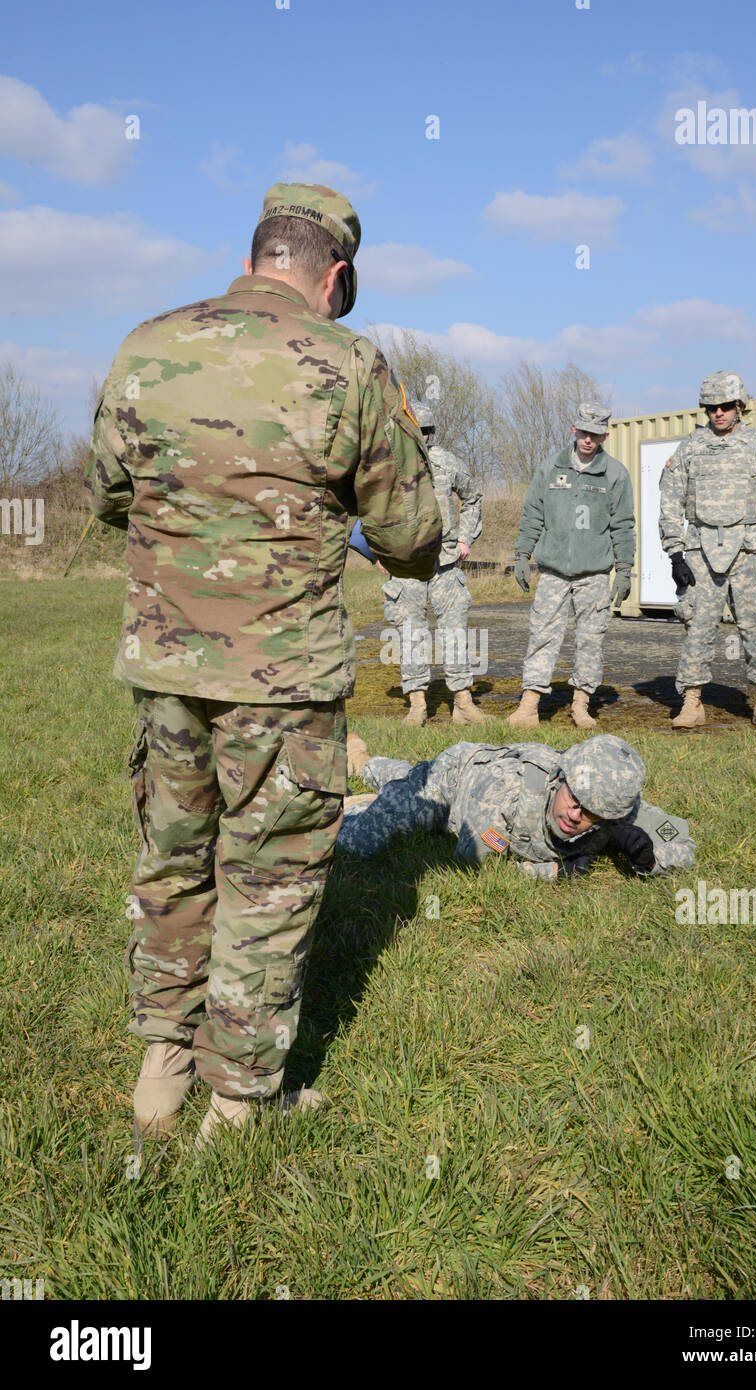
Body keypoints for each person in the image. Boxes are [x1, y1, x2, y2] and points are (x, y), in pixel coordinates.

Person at [84, 181, 442, 1146]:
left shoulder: (145, 346)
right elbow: (411, 535)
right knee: (269, 879)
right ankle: (239, 1104)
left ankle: (161, 1070)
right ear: (332, 275)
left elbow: (109, 493)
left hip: (166, 669)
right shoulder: (349, 364)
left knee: (173, 858)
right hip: (282, 680)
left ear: (256, 257)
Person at [340, 732, 695, 880]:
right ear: (560, 780)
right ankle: (360, 773)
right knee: (360, 841)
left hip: (474, 779)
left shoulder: (611, 801)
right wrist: (553, 872)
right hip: (452, 783)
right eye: (575, 802)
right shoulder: (512, 791)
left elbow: (683, 844)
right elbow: (475, 854)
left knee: (399, 773)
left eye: (591, 815)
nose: (576, 815)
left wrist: (649, 861)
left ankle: (362, 759)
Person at [658, 371, 756, 731]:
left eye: (725, 407)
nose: (717, 413)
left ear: (739, 407)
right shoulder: (690, 448)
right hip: (701, 552)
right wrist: (675, 555)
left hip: (751, 551)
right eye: (711, 408)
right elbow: (670, 502)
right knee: (698, 629)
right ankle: (691, 701)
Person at [507, 403, 635, 731]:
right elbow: (533, 512)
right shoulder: (550, 467)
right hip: (553, 573)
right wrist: (522, 554)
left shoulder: (615, 474)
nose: (588, 439)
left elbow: (622, 525)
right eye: (583, 432)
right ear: (573, 430)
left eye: (595, 434)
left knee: (590, 639)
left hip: (593, 574)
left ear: (605, 435)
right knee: (542, 635)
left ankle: (581, 704)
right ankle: (529, 706)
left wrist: (624, 568)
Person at [381, 402, 484, 725]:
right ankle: (417, 705)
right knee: (410, 633)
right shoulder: (388, 464)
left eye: (426, 431)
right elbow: (372, 509)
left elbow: (473, 498)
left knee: (455, 632)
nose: (421, 437)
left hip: (446, 562)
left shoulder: (447, 463)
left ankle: (463, 703)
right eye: (416, 431)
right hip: (405, 563)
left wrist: (466, 538)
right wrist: (382, 550)